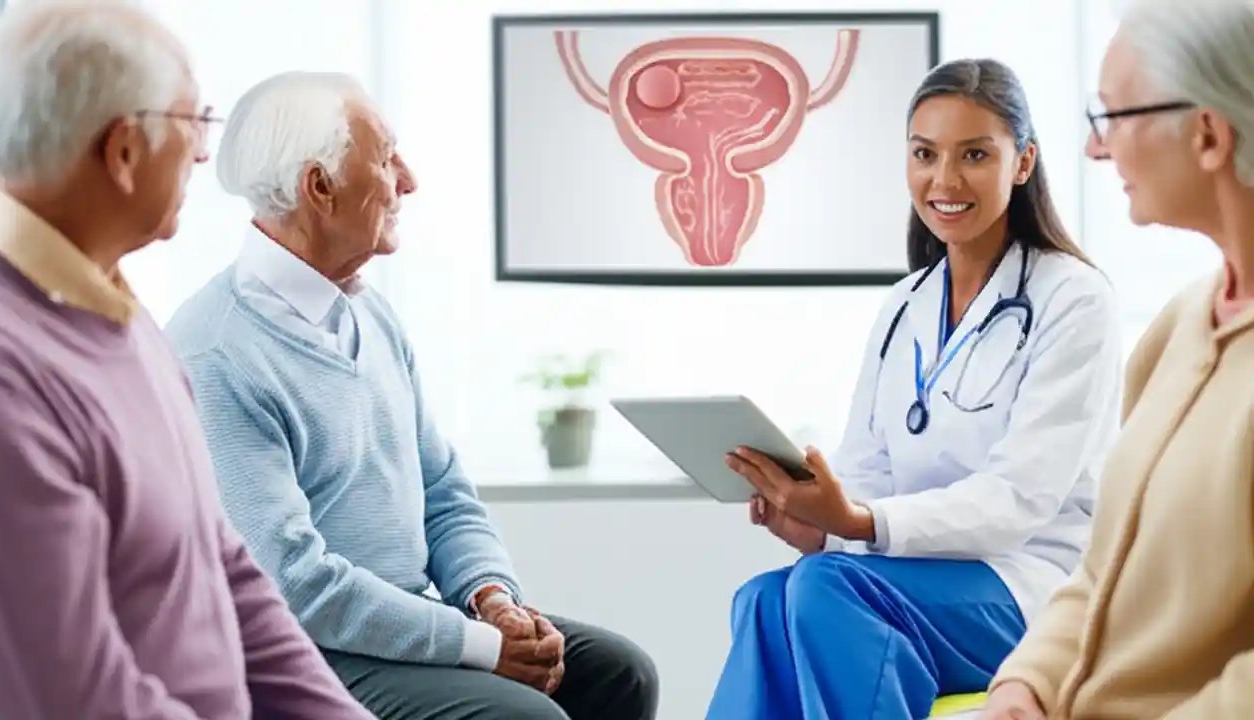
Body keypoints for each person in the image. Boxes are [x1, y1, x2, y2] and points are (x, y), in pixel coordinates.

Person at [163, 71, 659, 720]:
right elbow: (296, 586)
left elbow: (443, 489)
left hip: (402, 624)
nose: (409, 180)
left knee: (620, 674)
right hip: (300, 652)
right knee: (527, 717)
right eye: (386, 158)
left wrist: (492, 599)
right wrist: (476, 645)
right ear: (320, 186)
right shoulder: (217, 352)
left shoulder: (372, 316)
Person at [0, 3, 373, 719]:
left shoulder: (118, 313)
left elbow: (225, 569)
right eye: (194, 124)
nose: (201, 155)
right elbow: (70, 698)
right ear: (124, 151)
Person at [706, 58, 1124, 720]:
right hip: (914, 585)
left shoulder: (1073, 298)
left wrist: (859, 525)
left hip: (1034, 587)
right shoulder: (905, 305)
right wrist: (819, 526)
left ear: (1022, 164)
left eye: (975, 155)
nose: (945, 180)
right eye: (925, 155)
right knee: (764, 600)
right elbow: (868, 470)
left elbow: (1019, 500)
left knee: (828, 594)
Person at [985, 1, 1254, 718]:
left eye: (1111, 116)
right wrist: (1025, 684)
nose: (1095, 150)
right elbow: (1104, 569)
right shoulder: (1179, 331)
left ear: (1206, 134)